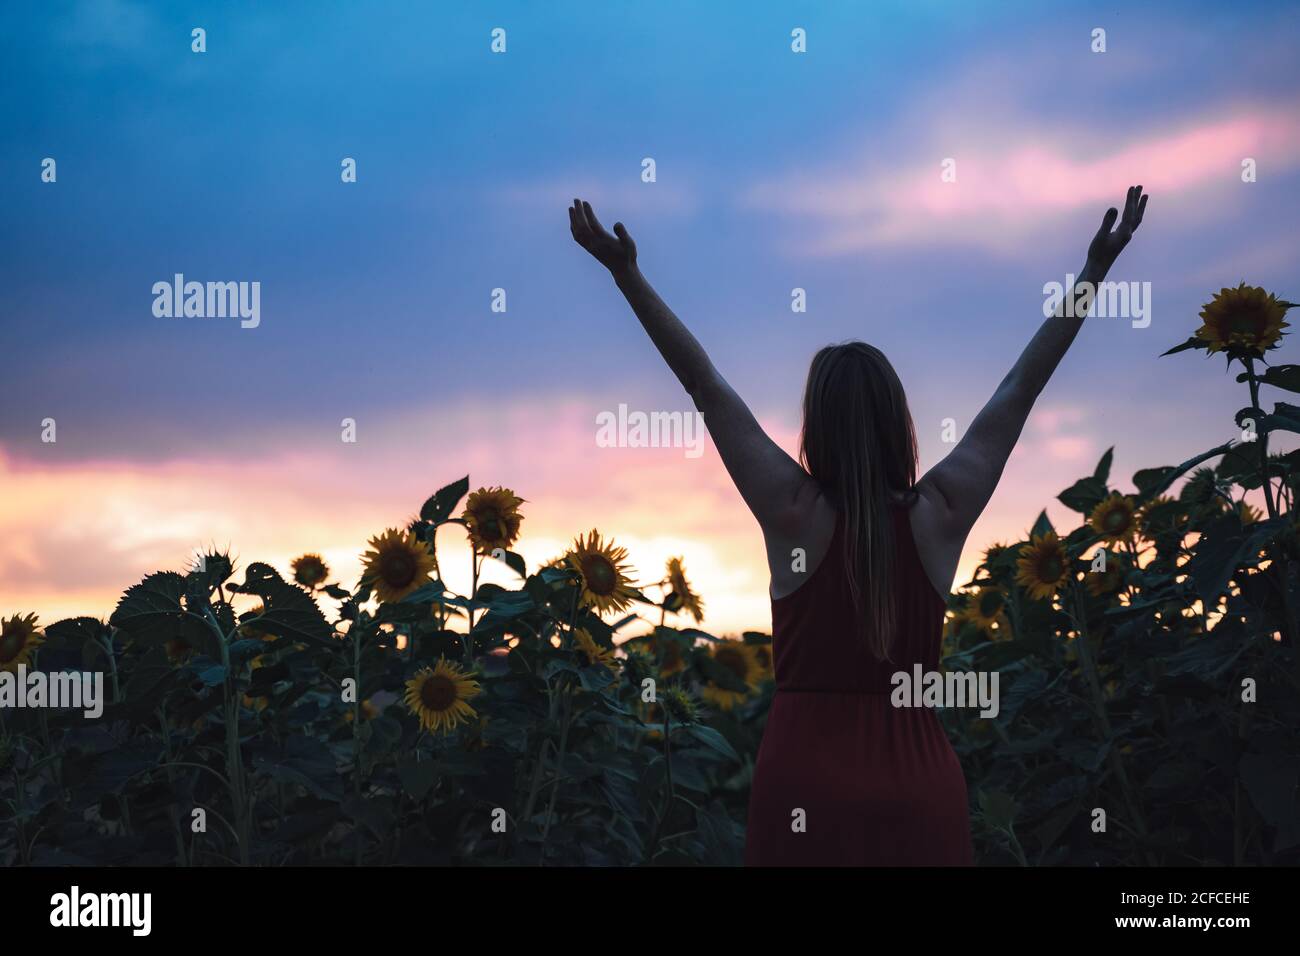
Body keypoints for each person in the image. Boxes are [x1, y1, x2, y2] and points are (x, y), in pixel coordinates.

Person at [568, 186, 1148, 865]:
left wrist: (627, 276)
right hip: (919, 792)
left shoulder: (791, 511)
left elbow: (701, 381)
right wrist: (1095, 272)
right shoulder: (942, 512)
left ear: (817, 424)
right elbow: (1023, 384)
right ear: (897, 420)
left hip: (803, 791)